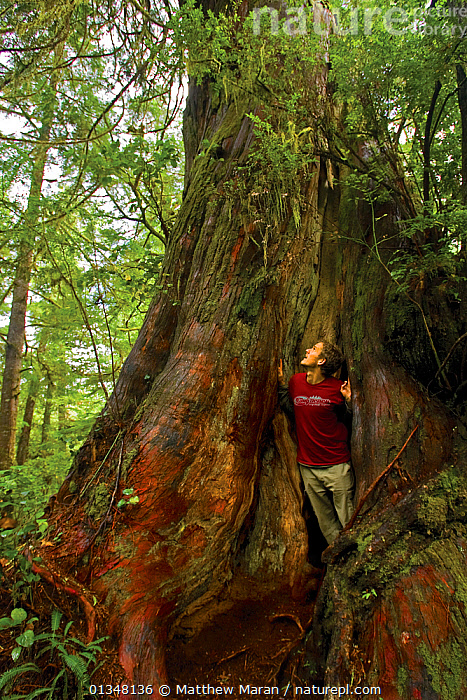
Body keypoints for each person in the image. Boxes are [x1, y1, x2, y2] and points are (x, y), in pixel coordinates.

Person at [278, 341, 354, 545]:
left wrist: (348, 402)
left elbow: (349, 421)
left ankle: (359, 558)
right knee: (326, 521)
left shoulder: (338, 389)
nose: (307, 350)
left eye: (313, 349)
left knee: (348, 519)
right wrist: (278, 383)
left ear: (321, 361)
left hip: (336, 465)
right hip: (308, 467)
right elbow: (291, 408)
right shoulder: (296, 382)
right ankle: (340, 559)